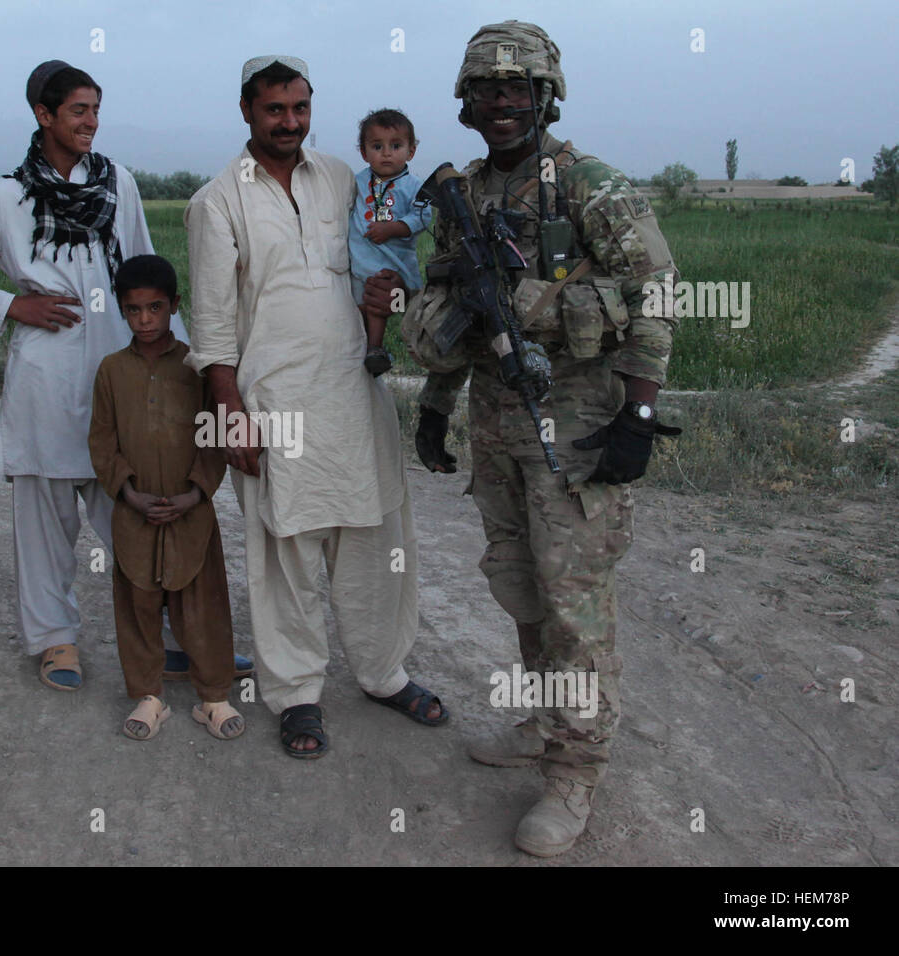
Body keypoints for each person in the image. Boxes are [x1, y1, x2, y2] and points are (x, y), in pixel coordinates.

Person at [366, 22, 681, 856]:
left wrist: (638, 416)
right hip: (500, 431)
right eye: (485, 91)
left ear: (546, 94)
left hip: (578, 435)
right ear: (464, 104)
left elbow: (655, 297)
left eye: (517, 89)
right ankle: (546, 724)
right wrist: (435, 406)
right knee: (521, 589)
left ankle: (576, 772)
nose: (501, 104)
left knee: (577, 612)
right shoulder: (463, 194)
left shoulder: (591, 185)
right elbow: (454, 307)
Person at [184, 55, 448, 759]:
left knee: (376, 537)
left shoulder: (342, 178)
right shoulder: (218, 201)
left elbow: (378, 264)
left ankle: (383, 673)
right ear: (247, 111)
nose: (289, 122)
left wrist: (384, 299)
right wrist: (230, 412)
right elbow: (211, 324)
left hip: (354, 394)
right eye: (275, 109)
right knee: (286, 551)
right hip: (273, 403)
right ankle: (297, 693)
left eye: (300, 108)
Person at [0, 62, 201, 692]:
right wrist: (9, 305)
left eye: (95, 110)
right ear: (44, 115)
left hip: (119, 365)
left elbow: (144, 270)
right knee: (44, 520)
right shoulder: (6, 196)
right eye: (78, 110)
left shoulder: (120, 184)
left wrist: (182, 358)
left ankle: (171, 636)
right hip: (45, 373)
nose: (90, 122)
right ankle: (55, 640)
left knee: (137, 510)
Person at [88, 255, 243, 742]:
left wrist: (196, 492)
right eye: (133, 311)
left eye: (155, 307)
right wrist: (128, 492)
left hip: (190, 511)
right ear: (121, 311)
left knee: (203, 604)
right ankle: (148, 695)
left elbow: (216, 434)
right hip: (135, 512)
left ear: (175, 305)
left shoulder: (197, 369)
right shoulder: (111, 371)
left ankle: (213, 697)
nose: (145, 320)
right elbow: (101, 440)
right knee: (137, 603)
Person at [347, 108, 432, 377]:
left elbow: (422, 215)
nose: (386, 153)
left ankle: (376, 349)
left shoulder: (414, 186)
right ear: (363, 152)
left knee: (378, 305)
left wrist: (394, 228)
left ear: (411, 151)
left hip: (391, 261)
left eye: (395, 146)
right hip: (360, 257)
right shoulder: (357, 182)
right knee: (358, 306)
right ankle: (358, 350)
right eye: (377, 146)